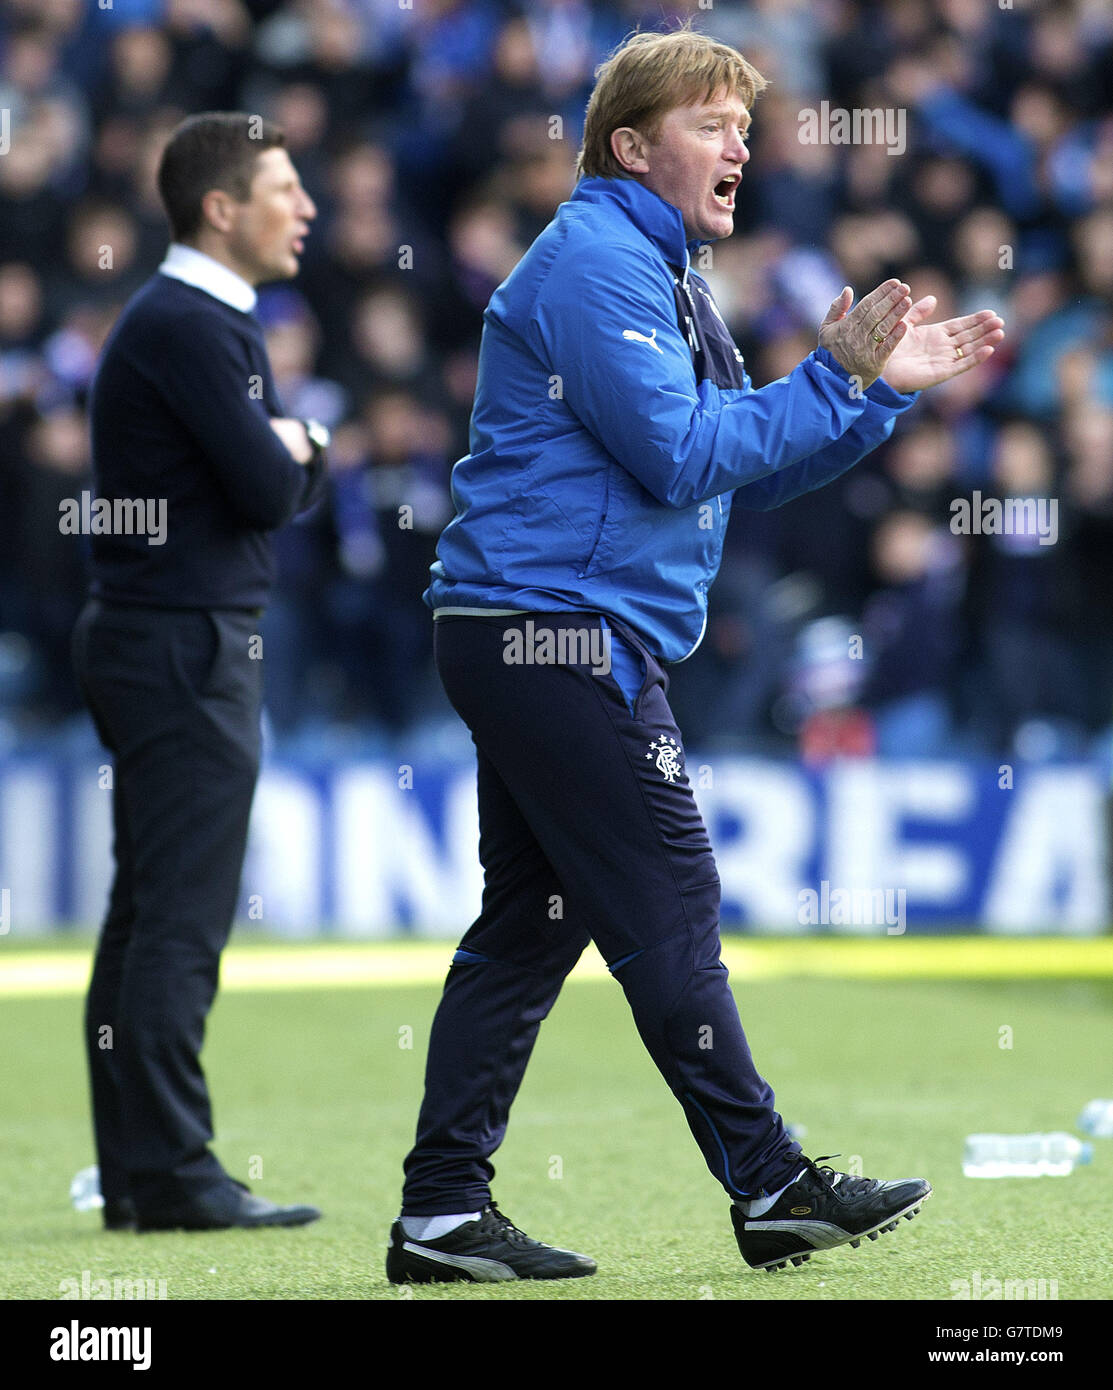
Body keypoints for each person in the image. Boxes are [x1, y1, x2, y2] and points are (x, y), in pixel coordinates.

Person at [387, 29, 1004, 1282]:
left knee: (526, 930)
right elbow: (684, 457)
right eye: (712, 123)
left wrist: (870, 391)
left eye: (744, 123)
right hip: (558, 632)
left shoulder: (658, 268)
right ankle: (773, 1183)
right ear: (629, 144)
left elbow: (733, 473)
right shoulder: (603, 265)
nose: (742, 145)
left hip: (536, 625)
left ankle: (441, 1213)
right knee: (669, 912)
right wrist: (830, 379)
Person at [71, 113, 330, 1232]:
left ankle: (139, 1173)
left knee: (143, 913)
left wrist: (287, 449)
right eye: (283, 188)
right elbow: (270, 491)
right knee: (179, 918)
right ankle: (173, 1174)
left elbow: (261, 479)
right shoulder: (191, 321)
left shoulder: (182, 318)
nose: (306, 207)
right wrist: (307, 442)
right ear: (221, 209)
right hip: (185, 643)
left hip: (158, 636)